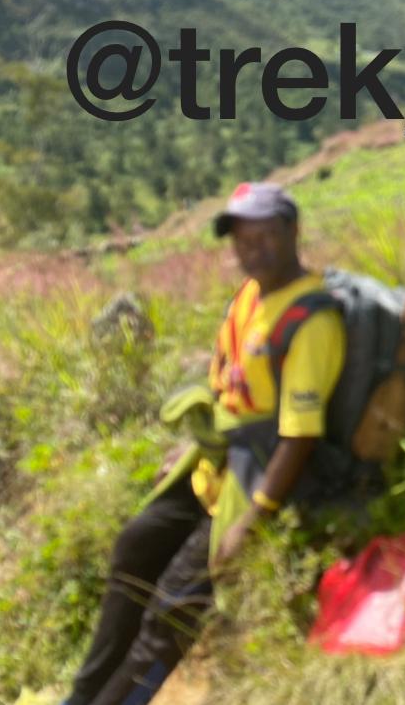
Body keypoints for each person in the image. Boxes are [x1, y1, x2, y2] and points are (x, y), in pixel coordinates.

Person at [62, 182, 347, 705]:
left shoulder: (311, 319)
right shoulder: (249, 297)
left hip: (257, 477)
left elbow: (300, 433)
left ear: (292, 232)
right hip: (215, 463)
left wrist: (251, 521)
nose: (252, 249)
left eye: (265, 235)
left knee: (170, 613)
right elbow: (229, 388)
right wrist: (193, 446)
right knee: (134, 549)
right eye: (242, 239)